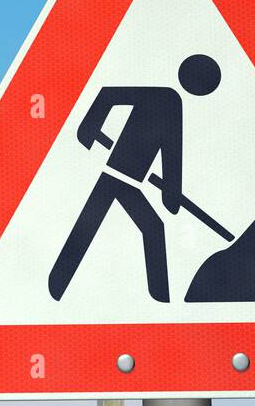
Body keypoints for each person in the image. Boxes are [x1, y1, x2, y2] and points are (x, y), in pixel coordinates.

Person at [48, 54, 220, 303]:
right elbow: (109, 95)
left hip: (127, 182)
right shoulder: (167, 99)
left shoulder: (170, 101)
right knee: (116, 228)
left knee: (143, 228)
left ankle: (159, 299)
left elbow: (170, 153)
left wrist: (170, 193)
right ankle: (57, 284)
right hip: (116, 177)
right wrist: (88, 128)